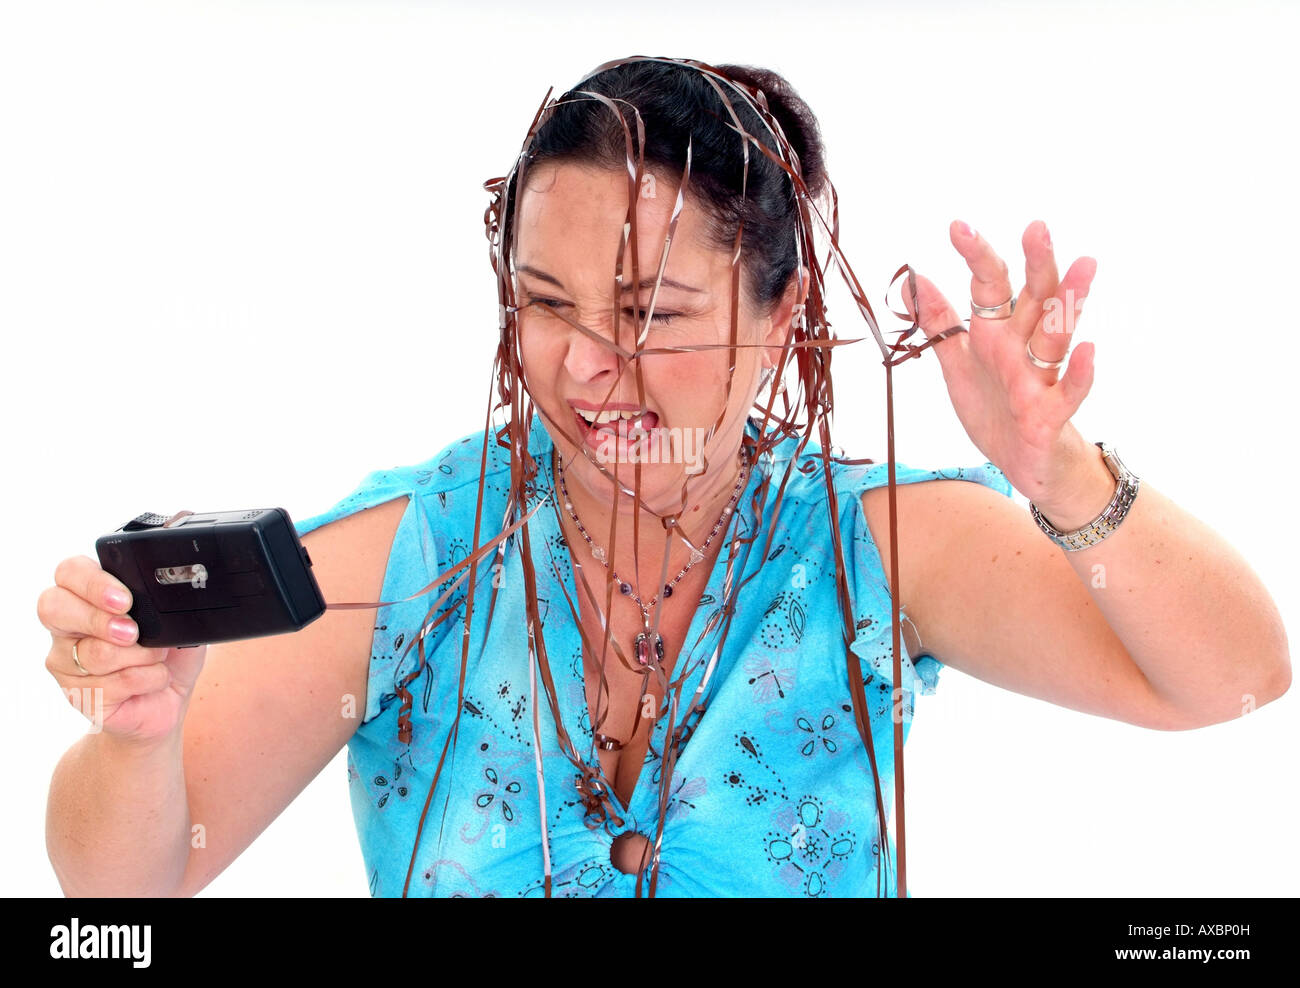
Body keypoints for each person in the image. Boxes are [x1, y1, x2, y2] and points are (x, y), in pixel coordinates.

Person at [41, 57, 1290, 899]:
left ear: (783, 308)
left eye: (652, 313)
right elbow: (124, 891)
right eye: (544, 304)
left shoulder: (879, 547)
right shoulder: (415, 556)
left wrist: (1059, 472)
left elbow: (1231, 684)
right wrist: (137, 740)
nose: (590, 368)